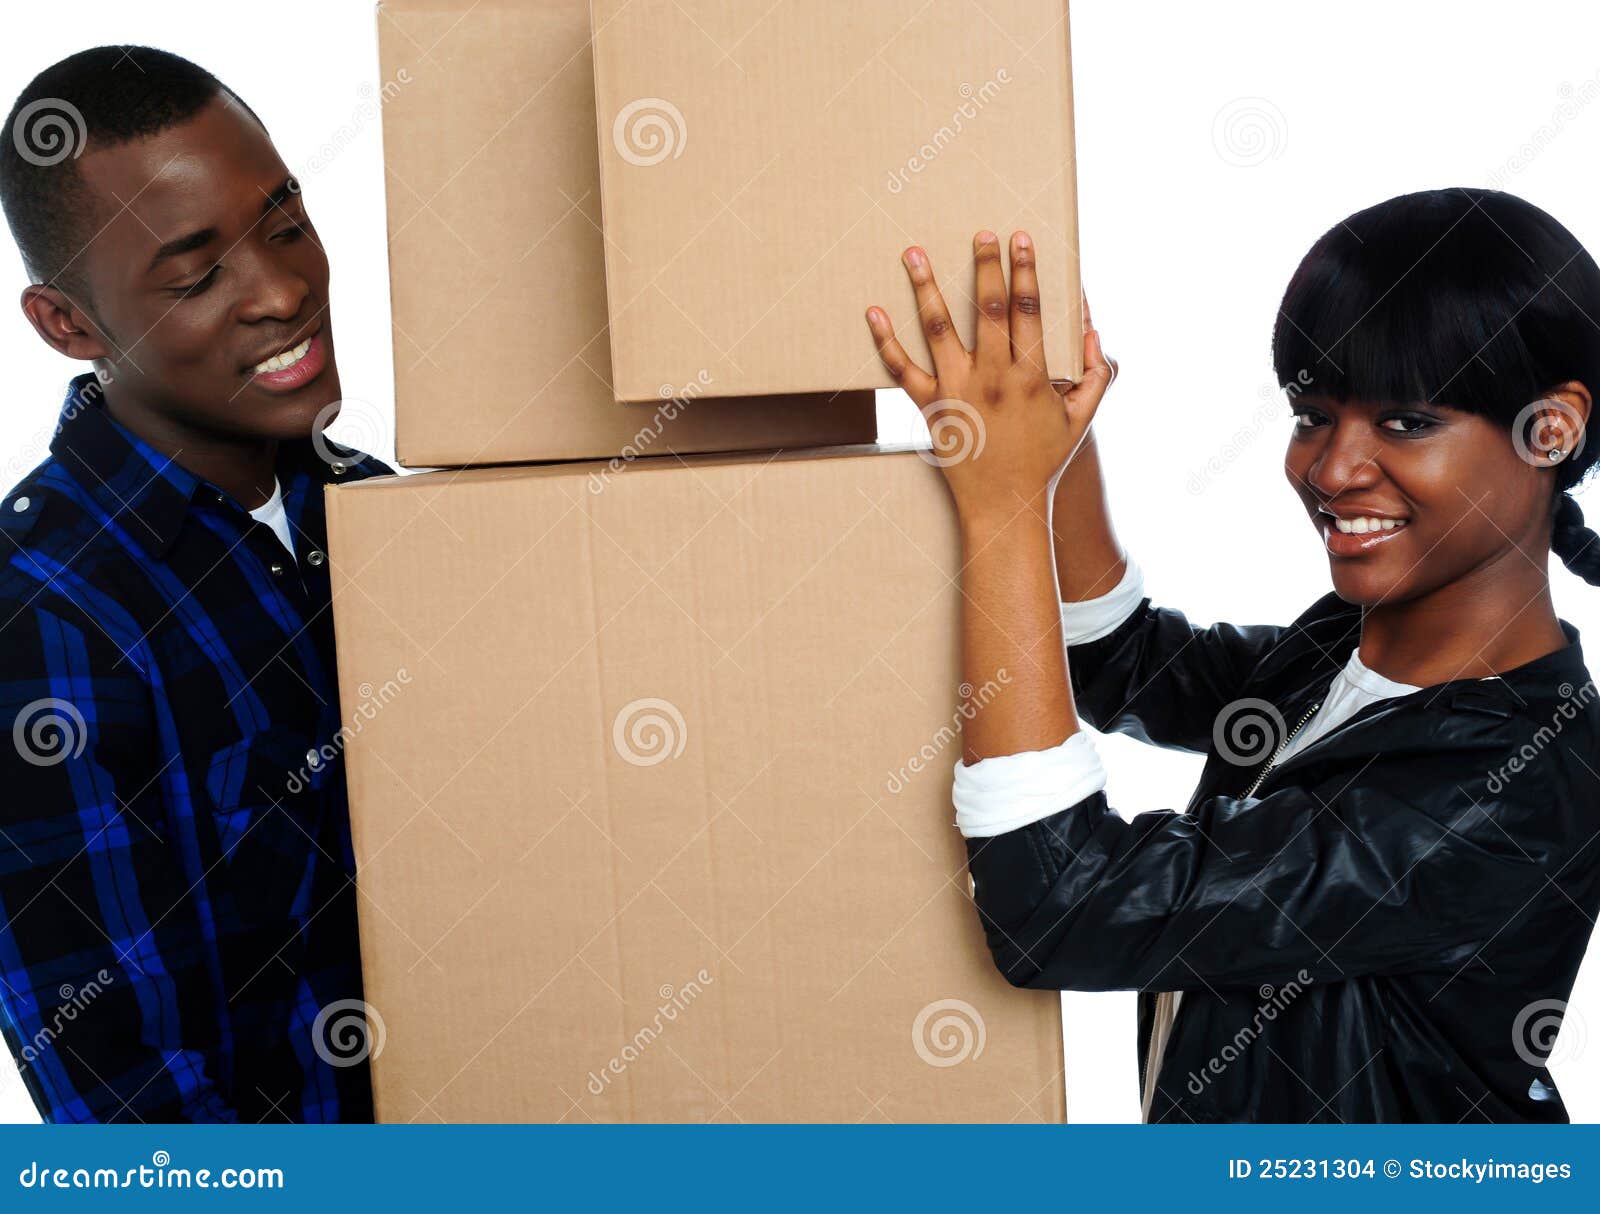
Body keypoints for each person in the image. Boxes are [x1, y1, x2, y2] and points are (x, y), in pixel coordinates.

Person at [864, 189, 1600, 1122]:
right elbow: (1125, 664)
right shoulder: (1343, 642)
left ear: (1552, 428)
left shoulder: (1516, 791)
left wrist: (1003, 504)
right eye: (1312, 414)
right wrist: (1053, 440)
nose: (1332, 471)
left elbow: (1061, 906)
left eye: (1406, 422)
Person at [0, 45, 390, 1121]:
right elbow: (129, 1114)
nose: (282, 291)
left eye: (283, 223)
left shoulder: (375, 510)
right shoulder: (45, 619)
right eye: (196, 274)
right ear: (69, 325)